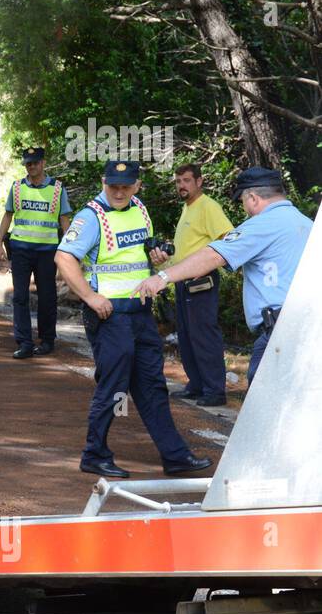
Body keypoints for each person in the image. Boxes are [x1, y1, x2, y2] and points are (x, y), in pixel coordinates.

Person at [54, 160, 212, 479]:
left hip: (140, 312)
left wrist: (155, 255)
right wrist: (90, 297)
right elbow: (64, 256)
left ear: (137, 186)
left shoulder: (139, 208)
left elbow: (139, 252)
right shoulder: (91, 216)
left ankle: (175, 455)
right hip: (109, 314)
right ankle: (94, 453)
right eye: (113, 185)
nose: (119, 191)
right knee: (114, 385)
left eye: (126, 186)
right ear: (103, 182)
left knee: (152, 386)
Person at [133, 166, 312, 385]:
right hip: (307, 326)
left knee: (261, 408)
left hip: (280, 333)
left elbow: (214, 255)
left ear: (253, 198)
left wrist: (161, 277)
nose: (244, 208)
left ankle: (211, 389)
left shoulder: (261, 225)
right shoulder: (307, 223)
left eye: (243, 201)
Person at [166, 163, 234, 405]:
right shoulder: (188, 207)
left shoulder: (208, 206)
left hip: (201, 281)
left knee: (204, 335)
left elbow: (229, 238)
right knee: (186, 335)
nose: (181, 185)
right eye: (178, 181)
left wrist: (209, 264)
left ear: (199, 181)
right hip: (182, 281)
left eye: (186, 180)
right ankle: (196, 385)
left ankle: (215, 391)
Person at [0, 147, 71, 358]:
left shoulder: (57, 189)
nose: (32, 166)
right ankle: (24, 343)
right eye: (28, 163)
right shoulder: (17, 187)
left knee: (47, 297)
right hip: (20, 250)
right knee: (20, 297)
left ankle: (47, 340)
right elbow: (7, 215)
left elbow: (65, 220)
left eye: (35, 163)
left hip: (47, 252)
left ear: (43, 163)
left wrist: (69, 249)